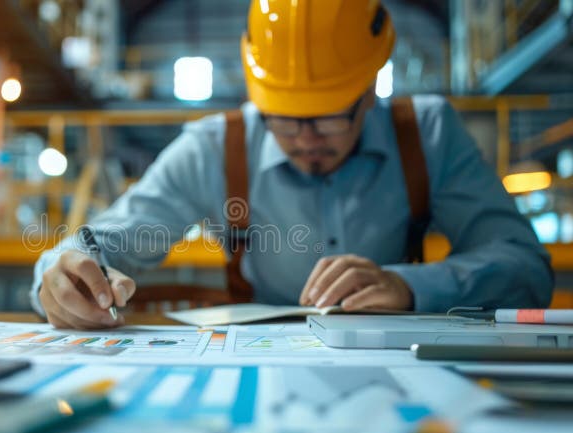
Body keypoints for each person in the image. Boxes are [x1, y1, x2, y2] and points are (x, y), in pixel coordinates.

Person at [31, 0, 552, 329]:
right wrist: (60, 276)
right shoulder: (214, 147)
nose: (303, 140)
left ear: (368, 91)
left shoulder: (429, 133)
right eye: (282, 119)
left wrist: (411, 288)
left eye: (325, 120)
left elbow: (525, 267)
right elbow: (105, 242)